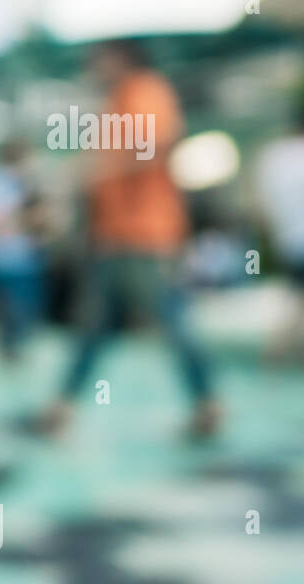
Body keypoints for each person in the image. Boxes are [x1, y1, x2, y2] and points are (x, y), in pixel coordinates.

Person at [36, 39, 220, 438]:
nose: (93, 69)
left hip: (147, 237)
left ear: (120, 59)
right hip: (114, 238)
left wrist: (93, 169)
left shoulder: (146, 90)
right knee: (95, 327)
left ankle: (208, 404)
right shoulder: (115, 101)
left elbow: (153, 147)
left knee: (171, 320)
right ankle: (62, 406)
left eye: (98, 61)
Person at [0, 137, 48, 359]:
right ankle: (6, 354)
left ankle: (11, 353)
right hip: (1, 261)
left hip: (25, 261)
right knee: (7, 316)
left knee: (23, 317)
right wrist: (26, 218)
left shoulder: (27, 185)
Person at [254, 100, 304, 364]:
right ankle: (276, 351)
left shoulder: (273, 155)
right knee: (296, 301)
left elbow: (263, 204)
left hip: (286, 239)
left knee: (297, 298)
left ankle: (283, 349)